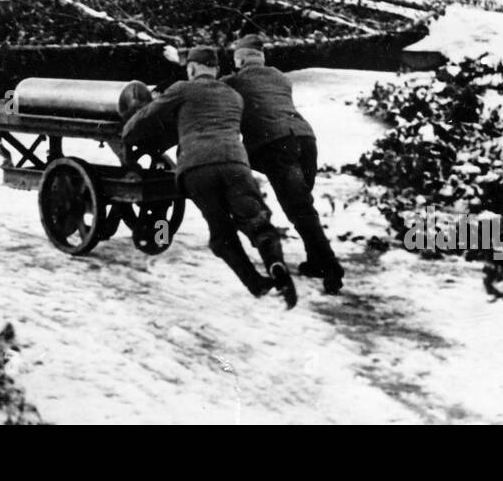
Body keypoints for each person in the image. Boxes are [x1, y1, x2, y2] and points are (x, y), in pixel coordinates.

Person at [122, 45, 297, 308]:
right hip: (234, 164)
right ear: (216, 69)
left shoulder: (182, 88)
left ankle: (255, 283)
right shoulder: (233, 95)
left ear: (191, 68)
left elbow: (144, 118)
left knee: (221, 233)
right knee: (256, 220)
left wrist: (128, 133)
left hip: (197, 169)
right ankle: (275, 264)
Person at [222, 34, 345, 294]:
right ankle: (316, 261)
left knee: (299, 208)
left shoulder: (233, 82)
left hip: (275, 145)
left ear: (240, 58)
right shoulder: (280, 77)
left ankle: (331, 268)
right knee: (302, 206)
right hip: (305, 140)